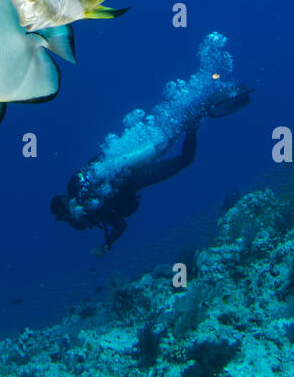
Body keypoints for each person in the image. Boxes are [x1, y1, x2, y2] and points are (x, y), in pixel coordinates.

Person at [51, 84, 252, 253]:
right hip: (135, 176)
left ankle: (193, 113)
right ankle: (192, 118)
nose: (70, 221)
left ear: (65, 210)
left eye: (64, 217)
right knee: (173, 148)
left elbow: (118, 222)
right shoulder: (93, 210)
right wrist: (106, 244)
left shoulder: (80, 194)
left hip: (134, 175)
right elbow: (120, 223)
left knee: (176, 152)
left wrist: (106, 245)